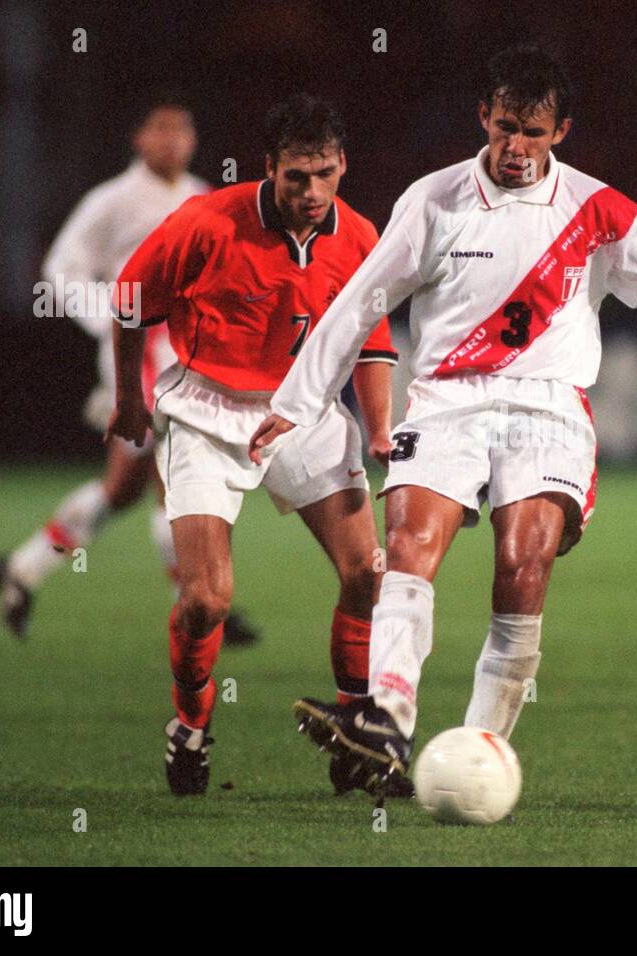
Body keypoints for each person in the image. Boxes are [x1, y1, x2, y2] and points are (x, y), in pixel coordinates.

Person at [249, 45, 637, 799]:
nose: (515, 147)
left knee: (521, 565)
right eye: (505, 127)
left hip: (547, 406)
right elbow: (360, 304)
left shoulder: (598, 209)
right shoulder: (434, 201)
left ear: (562, 132)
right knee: (410, 547)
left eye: (534, 133)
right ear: (483, 116)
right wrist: (294, 404)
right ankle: (386, 719)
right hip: (447, 399)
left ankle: (477, 753)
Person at [106, 94, 398, 795]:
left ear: (342, 166)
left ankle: (354, 732)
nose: (310, 191)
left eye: (324, 173)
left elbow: (374, 343)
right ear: (268, 168)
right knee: (207, 600)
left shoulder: (360, 237)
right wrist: (128, 400)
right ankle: (191, 726)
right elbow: (127, 302)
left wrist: (382, 429)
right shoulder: (205, 223)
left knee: (368, 574)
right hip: (210, 413)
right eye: (295, 176)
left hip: (306, 414)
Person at [0, 100, 263, 644]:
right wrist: (108, 320)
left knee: (127, 489)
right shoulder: (110, 199)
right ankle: (201, 605)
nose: (172, 139)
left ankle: (24, 569)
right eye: (160, 128)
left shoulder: (202, 195)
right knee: (167, 481)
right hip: (136, 360)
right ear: (137, 137)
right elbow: (62, 269)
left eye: (182, 128)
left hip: (186, 357)